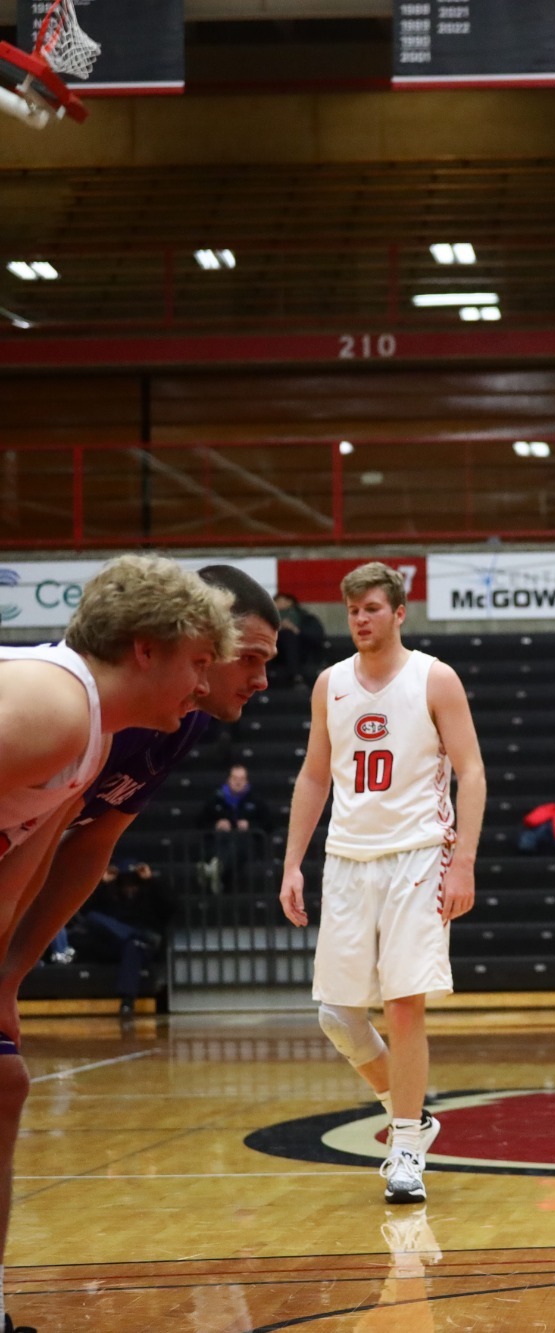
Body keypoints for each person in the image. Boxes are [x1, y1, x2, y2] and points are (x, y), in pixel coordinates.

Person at [0, 554, 242, 1333]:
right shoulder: (54, 706)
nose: (204, 685)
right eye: (198, 662)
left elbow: (23, 863)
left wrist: (4, 978)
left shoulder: (94, 741)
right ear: (145, 647)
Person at [279, 562, 487, 1208]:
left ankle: (404, 1149)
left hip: (418, 855)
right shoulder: (330, 683)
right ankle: (409, 1111)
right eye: (352, 610)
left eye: (371, 607)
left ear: (399, 611)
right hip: (346, 860)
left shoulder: (435, 677)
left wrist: (464, 862)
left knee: (403, 1005)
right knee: (337, 1015)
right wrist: (292, 862)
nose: (360, 619)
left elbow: (472, 771)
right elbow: (315, 777)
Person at [71, 858, 171, 1016]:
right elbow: (84, 912)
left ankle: (127, 1002)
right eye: (125, 882)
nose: (129, 887)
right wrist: (102, 884)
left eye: (133, 882)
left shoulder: (149, 895)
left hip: (141, 948)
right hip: (115, 943)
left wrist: (151, 881)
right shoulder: (109, 896)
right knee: (94, 918)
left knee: (133, 946)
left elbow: (170, 908)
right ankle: (136, 936)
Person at [199, 763, 274, 890]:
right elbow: (200, 821)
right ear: (229, 779)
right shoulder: (216, 798)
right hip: (221, 840)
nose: (238, 782)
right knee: (221, 842)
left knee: (238, 844)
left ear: (246, 780)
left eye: (242, 779)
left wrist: (250, 825)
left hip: (246, 844)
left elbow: (269, 824)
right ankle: (216, 866)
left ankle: (215, 867)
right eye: (235, 778)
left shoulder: (256, 799)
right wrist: (216, 824)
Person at [272, 591, 326, 689]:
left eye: (279, 601)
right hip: (276, 652)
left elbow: (315, 636)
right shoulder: (269, 618)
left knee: (288, 637)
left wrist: (294, 630)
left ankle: (296, 676)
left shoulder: (306, 618)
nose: (276, 603)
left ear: (289, 602)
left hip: (302, 652)